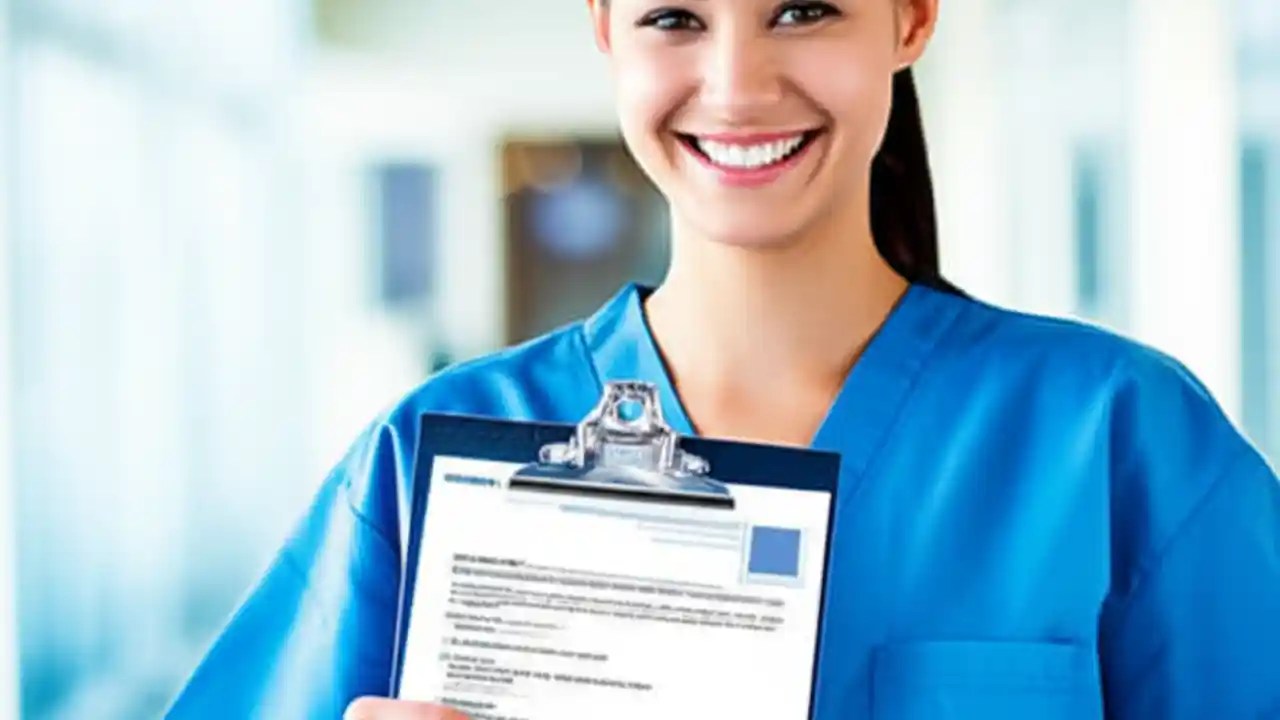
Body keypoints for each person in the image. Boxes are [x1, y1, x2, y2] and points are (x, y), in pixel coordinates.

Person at [167, 0, 1280, 718]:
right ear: (602, 28)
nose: (737, 86)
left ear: (908, 18)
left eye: (802, 11)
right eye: (672, 18)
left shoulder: (1118, 442)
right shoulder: (428, 464)